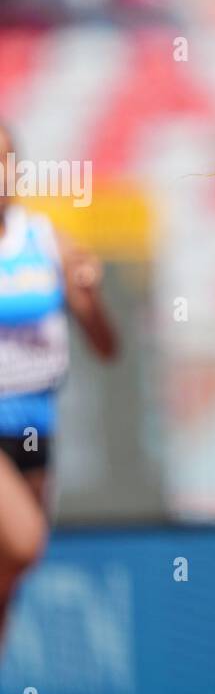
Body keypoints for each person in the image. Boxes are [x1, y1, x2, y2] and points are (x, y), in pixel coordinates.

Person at [0, 123, 119, 646]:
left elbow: (106, 346)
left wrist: (88, 300)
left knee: (8, 580)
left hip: (37, 430)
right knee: (24, 544)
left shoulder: (45, 240)